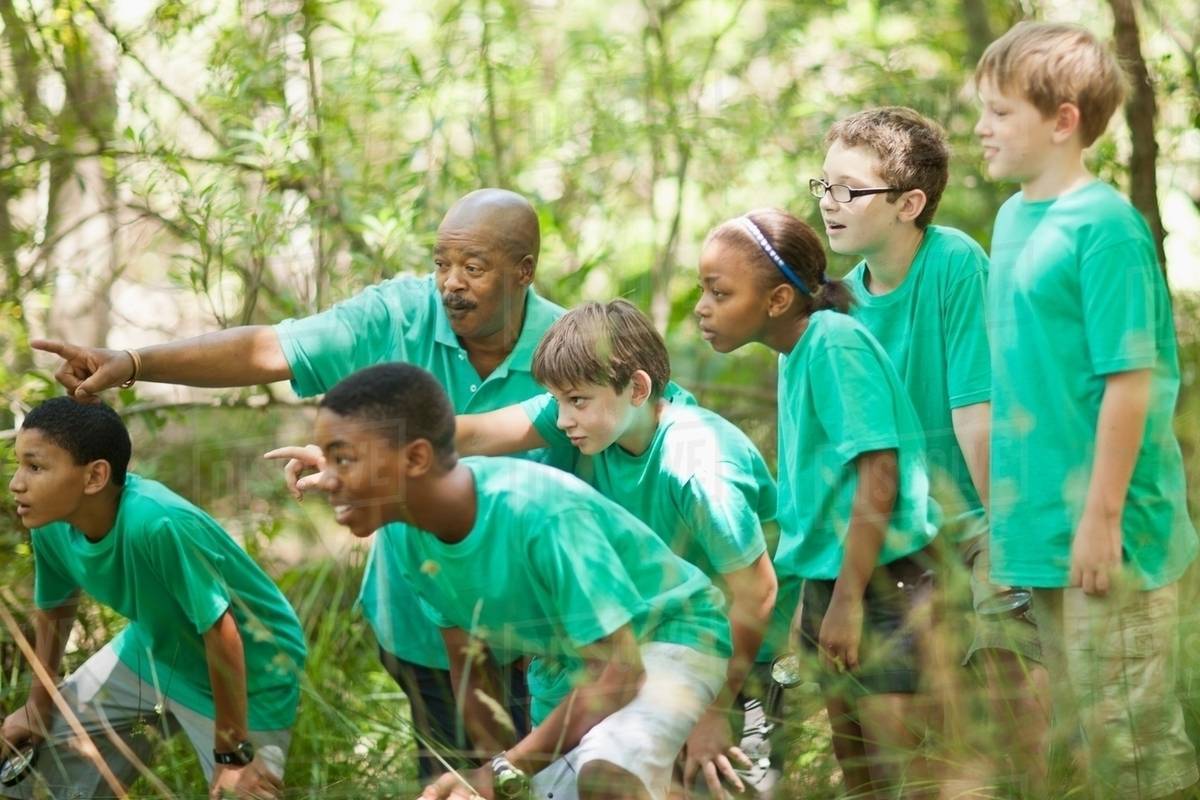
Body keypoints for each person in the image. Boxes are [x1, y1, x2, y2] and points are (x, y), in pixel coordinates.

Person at [32, 188, 564, 781]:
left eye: (473, 267)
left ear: (524, 271)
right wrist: (134, 362)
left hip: (541, 632)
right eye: (440, 263)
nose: (450, 283)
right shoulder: (398, 315)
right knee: (452, 779)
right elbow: (267, 349)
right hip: (422, 622)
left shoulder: (569, 354)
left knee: (545, 779)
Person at [306, 362, 733, 800]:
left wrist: (504, 770)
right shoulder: (404, 535)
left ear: (415, 458)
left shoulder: (540, 513)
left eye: (343, 459)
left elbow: (619, 671)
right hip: (575, 669)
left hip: (669, 637)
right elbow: (471, 670)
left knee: (606, 776)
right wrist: (487, 777)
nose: (327, 480)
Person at [975, 21, 1198, 798]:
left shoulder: (1104, 228)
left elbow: (1129, 382)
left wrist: (1100, 520)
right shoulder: (1010, 220)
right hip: (1040, 532)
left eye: (1001, 113)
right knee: (1085, 746)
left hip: (1113, 536)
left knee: (1134, 747)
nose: (982, 127)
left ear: (1062, 120)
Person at [453, 299, 779, 796]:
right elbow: (473, 434)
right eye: (556, 401)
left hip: (735, 657)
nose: (561, 420)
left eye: (576, 401)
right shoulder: (596, 420)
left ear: (638, 388)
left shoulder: (697, 464)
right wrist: (355, 455)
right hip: (644, 645)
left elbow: (756, 592)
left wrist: (714, 711)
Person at [816, 106, 1048, 789]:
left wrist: (1005, 536)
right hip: (895, 540)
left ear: (909, 203)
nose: (830, 204)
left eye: (849, 190)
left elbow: (975, 410)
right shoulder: (838, 305)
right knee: (920, 739)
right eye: (823, 186)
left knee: (1016, 705)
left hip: (975, 522)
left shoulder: (952, 263)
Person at [694, 208, 940, 797]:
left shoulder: (833, 343)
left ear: (778, 299)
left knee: (898, 768)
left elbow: (879, 474)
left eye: (719, 292)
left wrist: (849, 600)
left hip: (885, 581)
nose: (703, 306)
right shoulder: (795, 350)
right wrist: (820, 592)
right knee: (855, 765)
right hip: (840, 582)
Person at [1, 397, 307, 800]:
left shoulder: (157, 521)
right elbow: (56, 608)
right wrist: (38, 706)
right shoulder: (50, 522)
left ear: (94, 477)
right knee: (35, 774)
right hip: (153, 648)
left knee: (241, 793)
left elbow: (222, 632)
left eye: (36, 467)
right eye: (19, 464)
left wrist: (232, 757)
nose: (16, 483)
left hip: (253, 672)